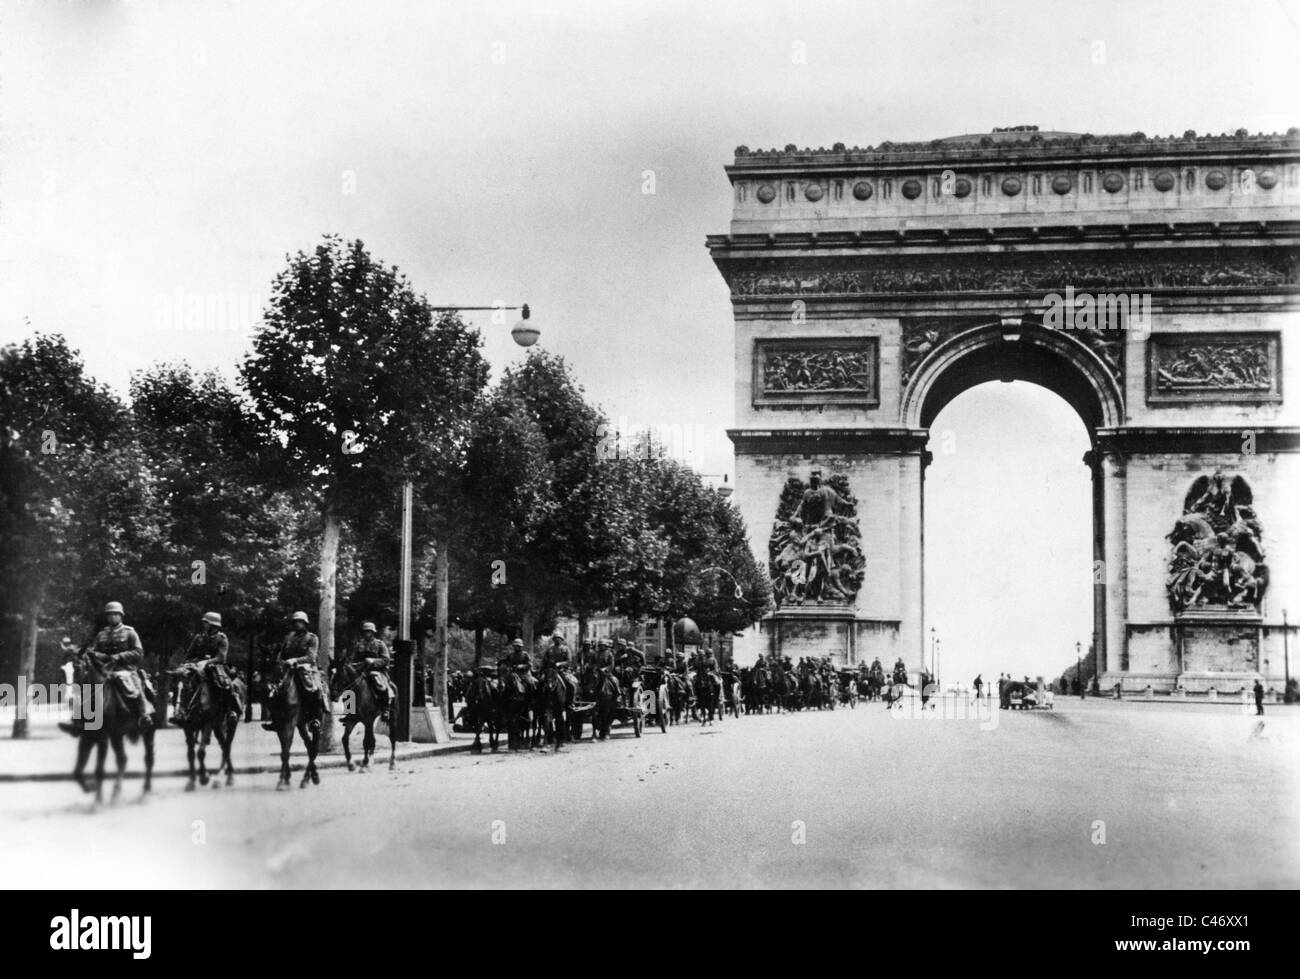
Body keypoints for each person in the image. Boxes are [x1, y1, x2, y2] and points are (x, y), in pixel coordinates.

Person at [61, 601, 154, 735]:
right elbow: (93, 651)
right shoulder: (102, 634)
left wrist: (119, 656)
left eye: (115, 614)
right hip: (104, 668)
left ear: (120, 616)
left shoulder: (130, 633)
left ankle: (144, 714)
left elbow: (138, 652)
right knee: (88, 685)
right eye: (109, 615)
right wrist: (97, 654)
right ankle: (77, 721)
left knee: (132, 685)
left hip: (125, 668)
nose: (111, 617)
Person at [172, 611, 243, 725]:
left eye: (206, 623)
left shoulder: (222, 638)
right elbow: (189, 655)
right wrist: (189, 664)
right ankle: (181, 711)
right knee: (182, 680)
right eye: (204, 623)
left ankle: (230, 711)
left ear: (213, 625)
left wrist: (206, 662)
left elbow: (221, 657)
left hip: (216, 666)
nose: (204, 625)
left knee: (225, 684)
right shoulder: (198, 638)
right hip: (197, 666)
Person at [262, 611, 328, 730]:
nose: (298, 624)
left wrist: (295, 660)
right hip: (288, 668)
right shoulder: (288, 637)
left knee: (314, 690)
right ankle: (275, 719)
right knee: (274, 689)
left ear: (305, 623)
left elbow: (311, 657)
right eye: (296, 622)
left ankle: (314, 719)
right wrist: (280, 662)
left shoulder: (312, 638)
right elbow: (281, 654)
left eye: (300, 622)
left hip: (307, 669)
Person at [338, 621, 395, 719]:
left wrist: (373, 661)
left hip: (376, 670)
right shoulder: (359, 645)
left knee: (380, 684)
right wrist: (354, 664)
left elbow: (386, 659)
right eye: (365, 632)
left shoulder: (380, 644)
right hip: (361, 670)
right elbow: (352, 658)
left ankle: (385, 709)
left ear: (373, 632)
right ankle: (349, 711)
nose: (366, 634)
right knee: (349, 685)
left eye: (369, 631)